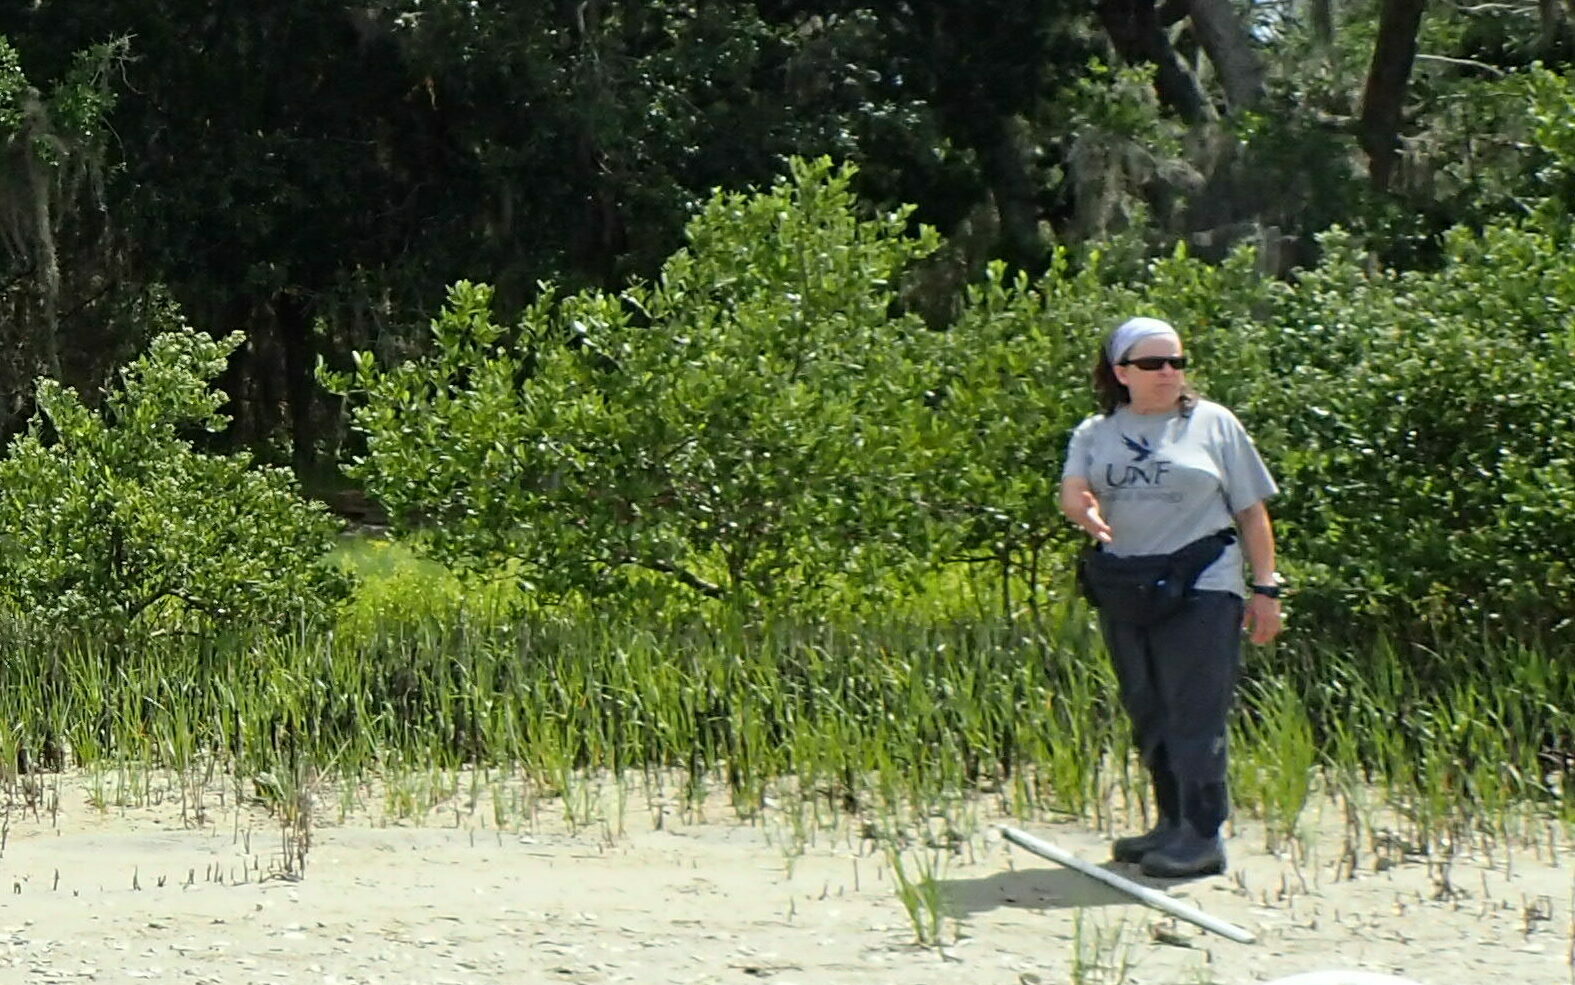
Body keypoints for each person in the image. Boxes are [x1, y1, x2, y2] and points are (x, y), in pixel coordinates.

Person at [1058, 315, 1284, 878]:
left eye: (1176, 362)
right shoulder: (1096, 432)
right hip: (1127, 585)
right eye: (1152, 363)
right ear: (1121, 372)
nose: (1167, 373)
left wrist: (1266, 588)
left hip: (1204, 581)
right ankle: (1171, 822)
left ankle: (1202, 837)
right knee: (1148, 706)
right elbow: (1073, 489)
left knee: (1195, 710)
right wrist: (1082, 508)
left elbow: (1251, 511)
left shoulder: (1214, 424)